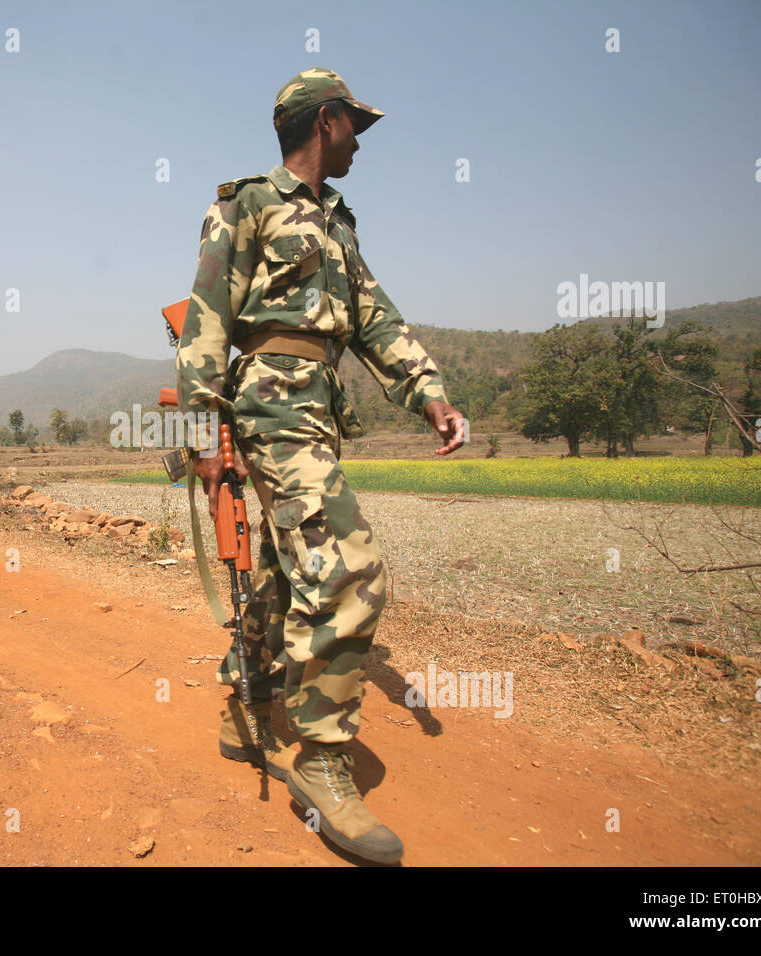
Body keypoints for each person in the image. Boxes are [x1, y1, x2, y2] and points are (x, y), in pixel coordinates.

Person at [175, 68, 467, 863]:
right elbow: (205, 319)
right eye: (354, 127)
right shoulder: (246, 204)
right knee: (347, 568)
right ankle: (321, 758)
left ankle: (245, 712)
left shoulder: (339, 222)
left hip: (318, 409)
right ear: (326, 121)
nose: (360, 142)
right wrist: (204, 435)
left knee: (280, 572)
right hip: (267, 404)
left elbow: (375, 319)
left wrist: (430, 394)